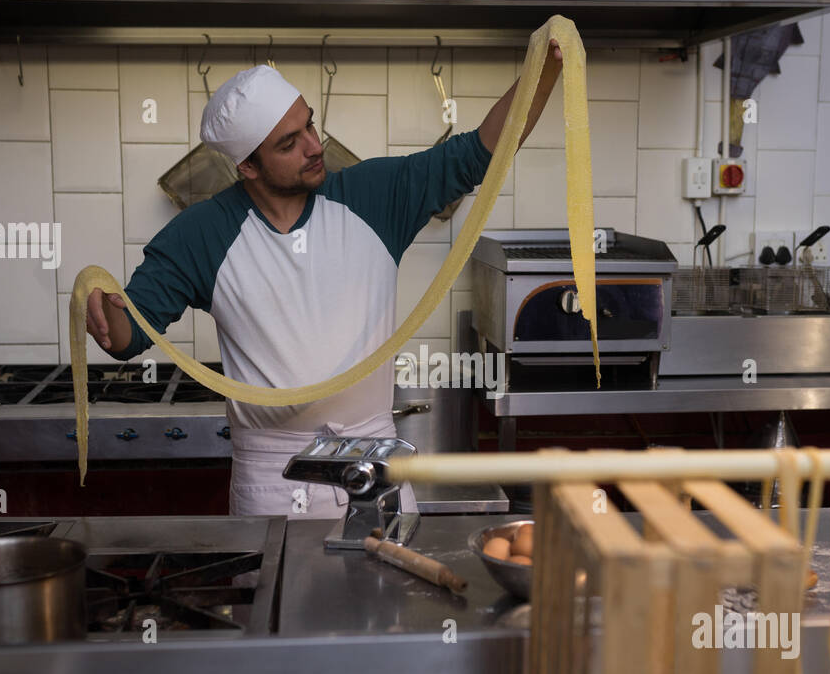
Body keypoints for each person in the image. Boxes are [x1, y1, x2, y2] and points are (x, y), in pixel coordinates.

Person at [85, 39, 564, 517]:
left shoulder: (372, 196)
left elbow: (479, 153)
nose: (314, 147)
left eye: (309, 123)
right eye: (289, 144)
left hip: (374, 467)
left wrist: (543, 69)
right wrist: (102, 311)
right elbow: (130, 333)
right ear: (247, 166)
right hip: (273, 480)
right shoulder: (200, 234)